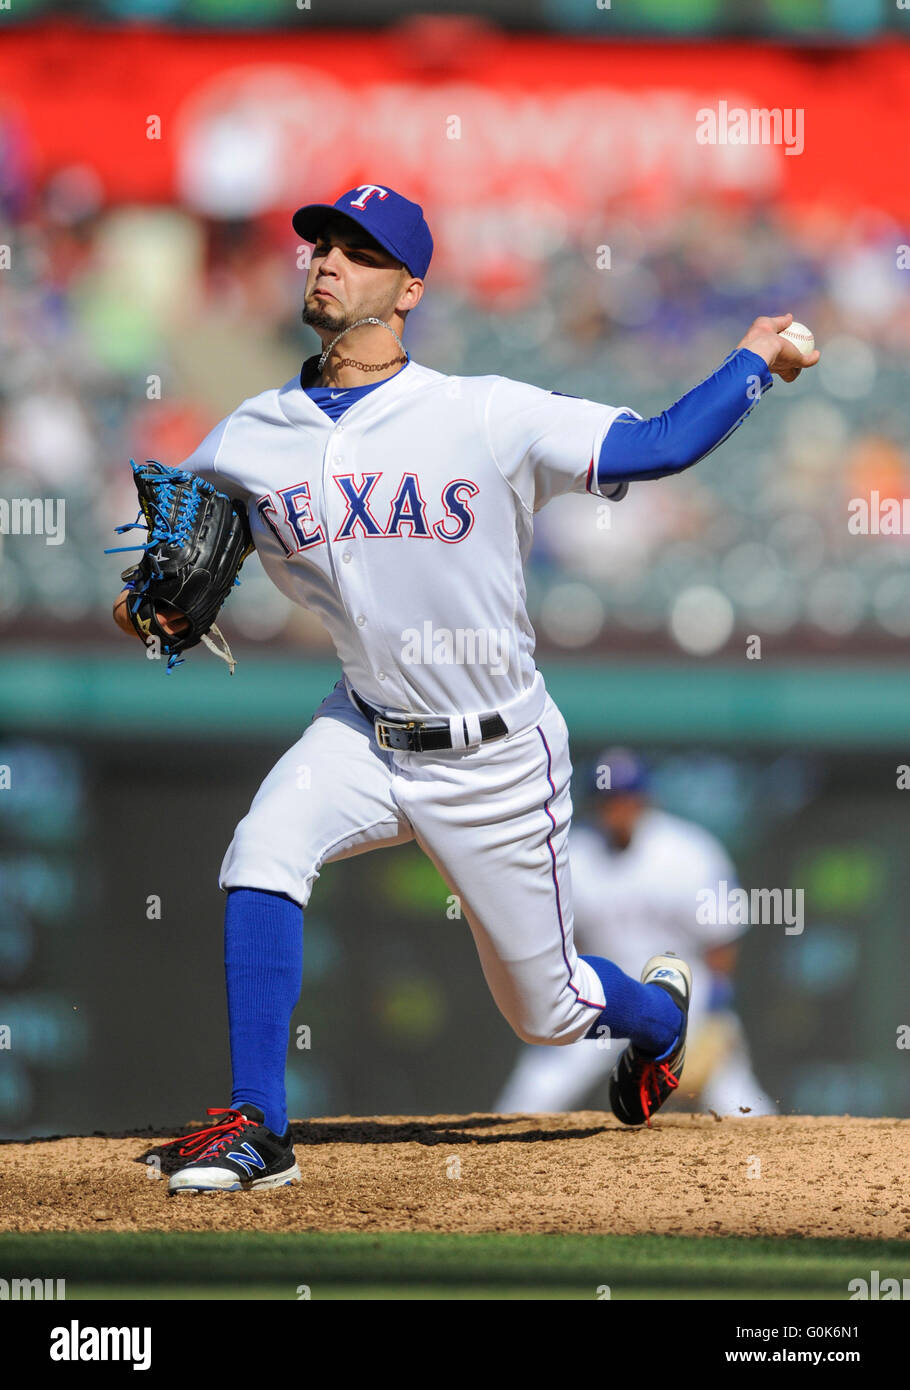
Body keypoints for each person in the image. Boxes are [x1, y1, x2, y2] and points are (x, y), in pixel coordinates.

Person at [112, 183, 817, 1192]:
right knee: (261, 848)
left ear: (409, 288)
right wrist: (148, 608)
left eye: (357, 251)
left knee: (550, 1008)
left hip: (493, 750)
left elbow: (656, 445)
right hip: (359, 728)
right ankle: (258, 1127)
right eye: (320, 243)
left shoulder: (481, 412)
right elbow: (166, 566)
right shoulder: (250, 434)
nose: (326, 261)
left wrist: (753, 360)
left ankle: (661, 1014)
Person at [495, 749, 776, 1117]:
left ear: (646, 799)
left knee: (737, 1100)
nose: (619, 807)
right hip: (604, 991)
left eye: (628, 797)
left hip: (683, 993)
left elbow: (721, 943)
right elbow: (559, 941)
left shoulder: (690, 851)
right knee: (536, 1091)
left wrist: (716, 1011)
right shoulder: (571, 855)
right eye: (609, 799)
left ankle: (779, 1168)